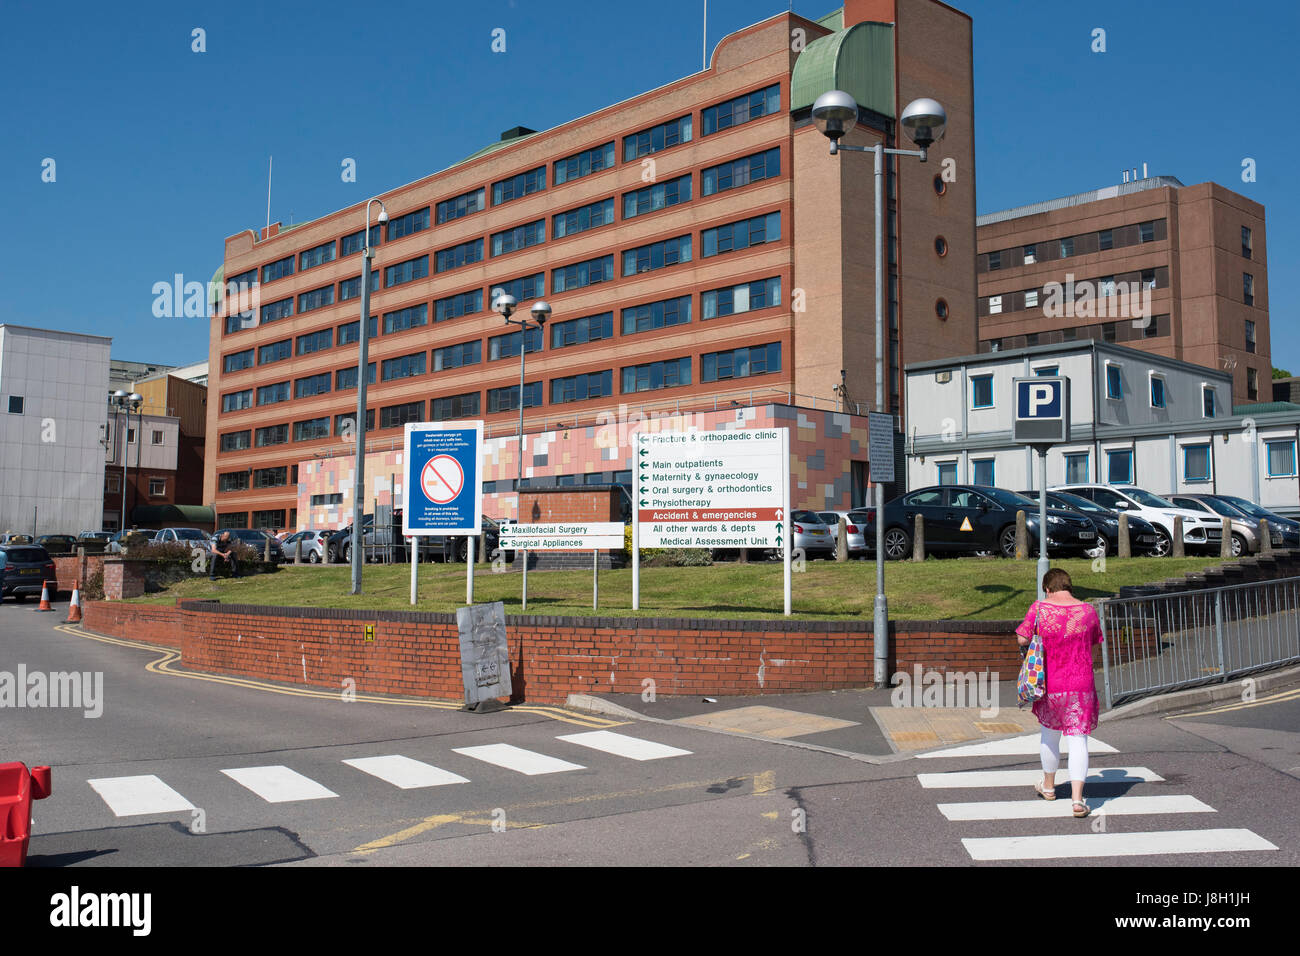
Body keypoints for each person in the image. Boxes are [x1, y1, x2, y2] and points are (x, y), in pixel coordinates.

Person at [1014, 567, 1103, 818]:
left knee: (1050, 735)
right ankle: (1077, 801)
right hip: (1080, 683)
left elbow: (1022, 638)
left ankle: (1049, 786)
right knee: (1078, 739)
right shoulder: (1087, 610)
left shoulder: (1040, 608)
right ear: (1069, 586)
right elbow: (1096, 643)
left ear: (1047, 588)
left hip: (1050, 683)